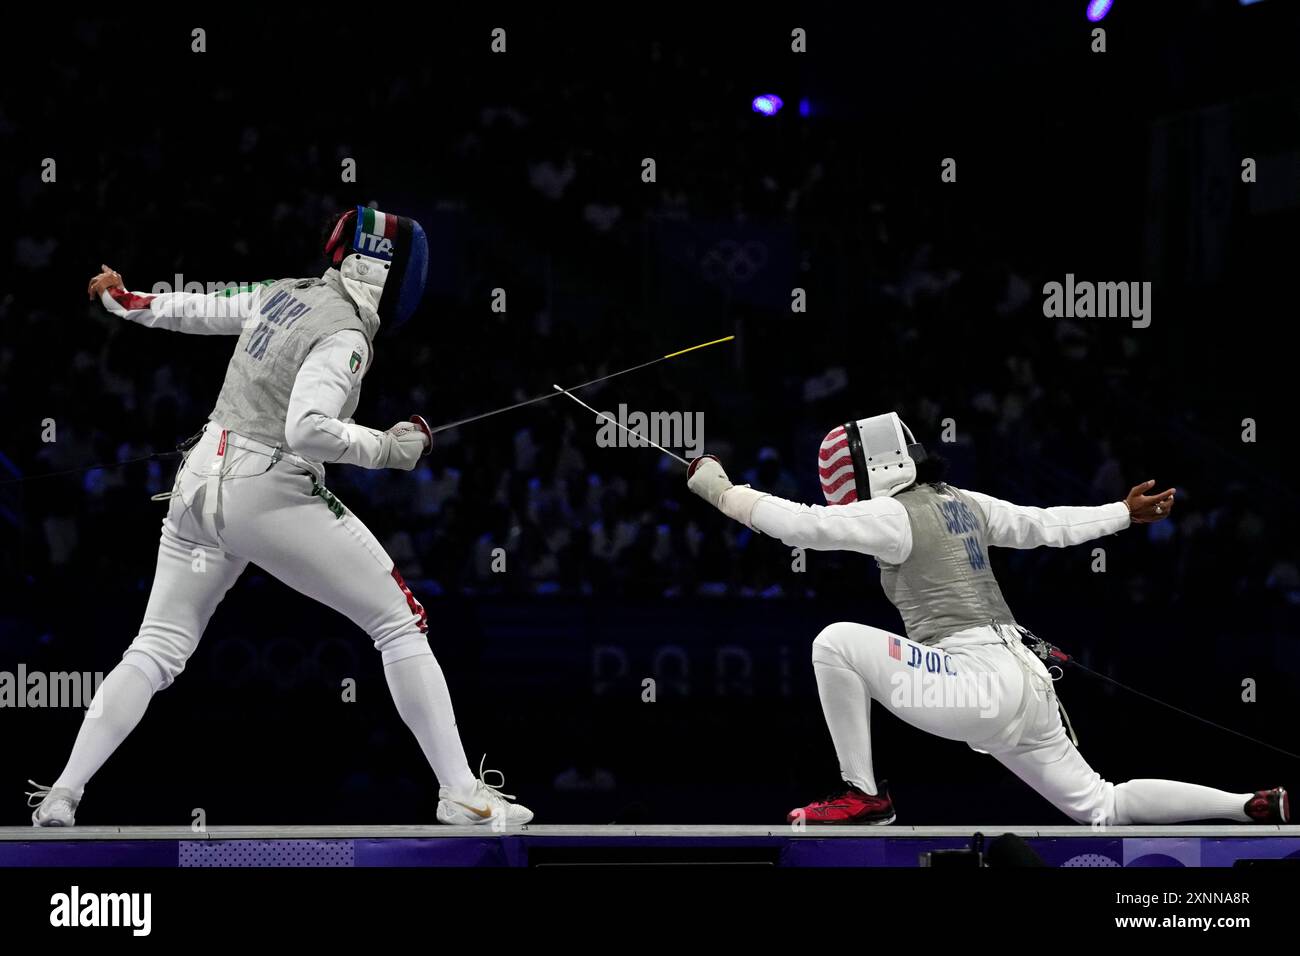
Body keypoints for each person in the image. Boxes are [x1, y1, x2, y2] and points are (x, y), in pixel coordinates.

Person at [27, 206, 532, 827]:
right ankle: (459, 792)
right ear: (393, 278)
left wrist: (122, 298)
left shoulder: (280, 294)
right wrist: (390, 449)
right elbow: (308, 430)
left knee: (155, 648)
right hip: (264, 490)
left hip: (197, 484)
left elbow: (191, 309)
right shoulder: (347, 335)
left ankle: (61, 793)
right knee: (400, 621)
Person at [685, 411, 1288, 826]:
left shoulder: (895, 517)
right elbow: (1046, 525)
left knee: (835, 642)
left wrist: (721, 490)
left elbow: (804, 526)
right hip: (1026, 686)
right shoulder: (965, 503)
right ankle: (1247, 805)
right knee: (1101, 806)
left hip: (977, 681)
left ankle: (863, 794)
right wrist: (1122, 515)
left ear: (871, 468)